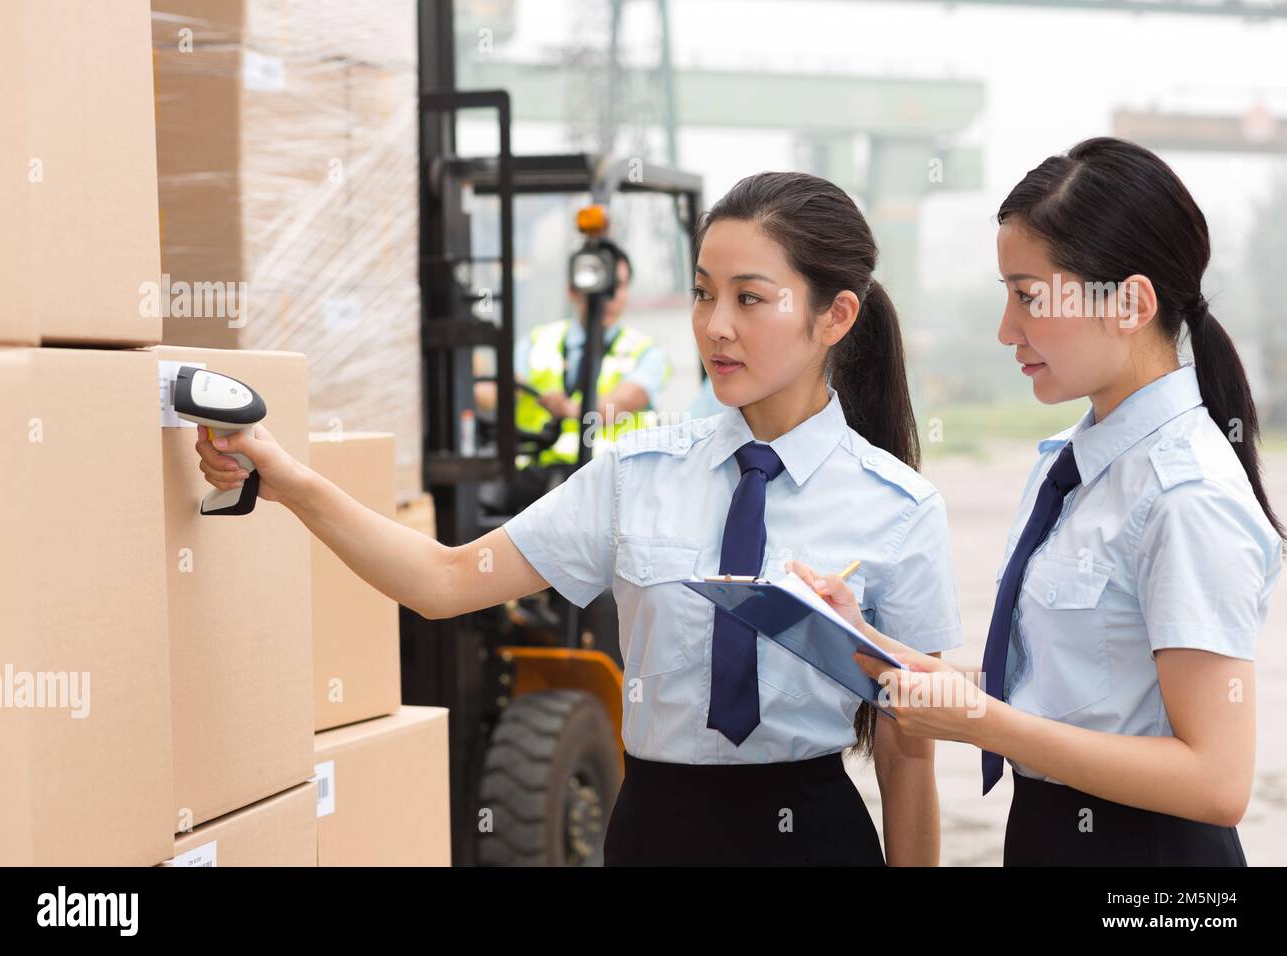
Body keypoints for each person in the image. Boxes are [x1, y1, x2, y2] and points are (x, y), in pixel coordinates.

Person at [191, 171, 963, 866]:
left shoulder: (899, 510)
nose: (714, 325)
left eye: (749, 298)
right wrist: (289, 480)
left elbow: (908, 753)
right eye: (702, 293)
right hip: (654, 835)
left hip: (812, 841)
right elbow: (442, 580)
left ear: (836, 317)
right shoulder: (637, 474)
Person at [798, 137, 1284, 866]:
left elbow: (1215, 782)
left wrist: (985, 725)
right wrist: (872, 644)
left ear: (1131, 303)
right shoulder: (1071, 465)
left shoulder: (1186, 495)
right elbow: (1061, 693)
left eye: (1027, 295)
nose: (1005, 330)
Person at [474, 238, 672, 467]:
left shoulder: (645, 352)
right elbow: (496, 396)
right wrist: (466, 362)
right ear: (572, 290)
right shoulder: (537, 342)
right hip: (538, 477)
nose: (608, 297)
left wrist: (566, 409)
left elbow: (616, 406)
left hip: (614, 478)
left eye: (617, 286)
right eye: (600, 285)